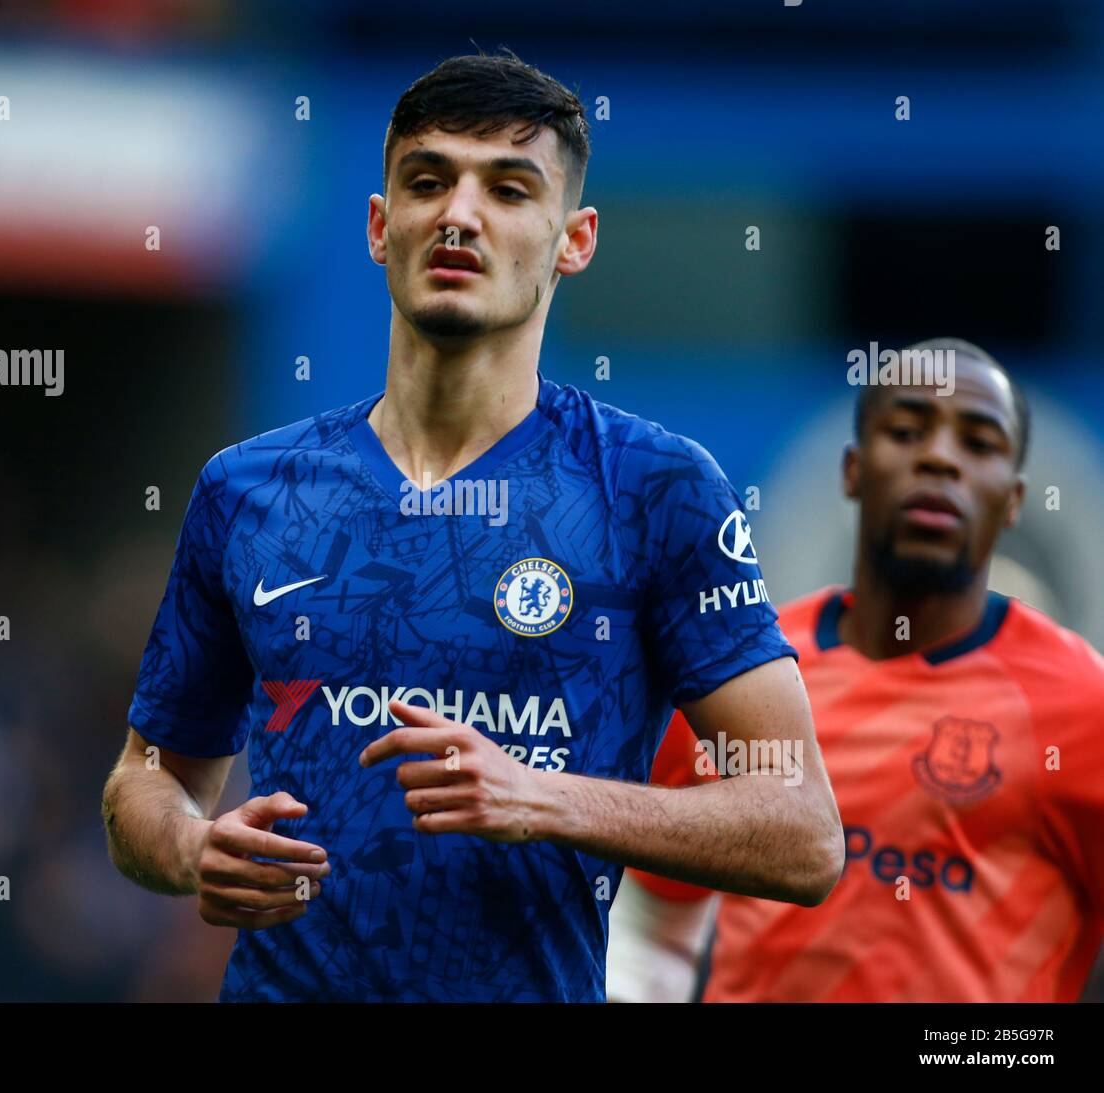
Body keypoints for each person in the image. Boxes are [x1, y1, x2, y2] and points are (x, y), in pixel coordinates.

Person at [101, 49, 842, 1003]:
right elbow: (143, 784)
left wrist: (546, 798)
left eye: (508, 188)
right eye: (428, 180)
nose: (460, 214)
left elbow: (804, 830)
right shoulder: (250, 489)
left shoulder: (657, 490)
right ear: (380, 225)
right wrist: (197, 848)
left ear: (573, 239)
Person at [616, 340, 1104, 1002]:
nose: (938, 458)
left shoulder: (1083, 705)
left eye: (980, 443)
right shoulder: (737, 679)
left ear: (1014, 500)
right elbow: (655, 931)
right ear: (851, 469)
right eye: (905, 430)